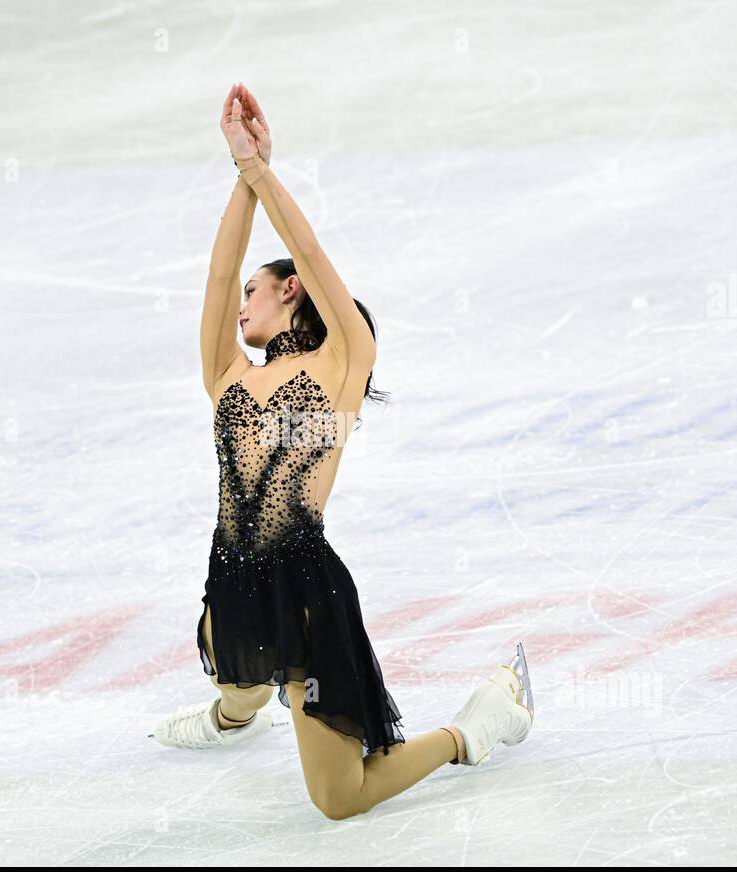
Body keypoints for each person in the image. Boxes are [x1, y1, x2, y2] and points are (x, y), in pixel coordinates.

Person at [153, 83, 534, 820]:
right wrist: (240, 174)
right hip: (230, 575)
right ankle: (231, 720)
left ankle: (474, 727)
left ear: (292, 290)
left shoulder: (340, 366)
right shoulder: (228, 374)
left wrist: (264, 174)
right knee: (233, 679)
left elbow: (314, 256)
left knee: (339, 798)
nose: (242, 304)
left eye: (258, 291)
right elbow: (217, 276)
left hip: (302, 591)